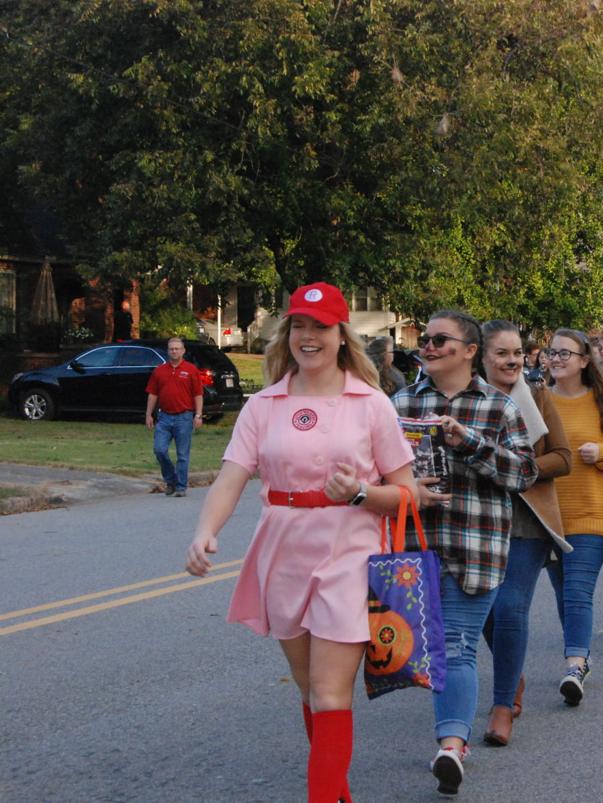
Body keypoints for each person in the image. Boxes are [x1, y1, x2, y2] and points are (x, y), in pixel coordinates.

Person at [184, 282, 417, 803]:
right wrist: (205, 531)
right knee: (310, 689)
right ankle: (334, 789)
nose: (308, 336)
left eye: (320, 327)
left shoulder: (370, 403)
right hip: (283, 550)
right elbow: (231, 477)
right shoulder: (263, 405)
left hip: (350, 551)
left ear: (341, 336)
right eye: (299, 326)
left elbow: (408, 493)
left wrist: (360, 491)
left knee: (332, 692)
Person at [392, 310, 538, 795]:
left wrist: (468, 441)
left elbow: (524, 474)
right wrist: (407, 487)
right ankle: (450, 735)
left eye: (440, 340)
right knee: (428, 651)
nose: (428, 346)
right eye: (425, 340)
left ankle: (451, 746)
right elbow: (371, 467)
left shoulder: (499, 408)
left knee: (458, 645)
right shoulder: (400, 403)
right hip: (413, 545)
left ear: (470, 350)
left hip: (476, 546)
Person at [478, 320, 572, 748]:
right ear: (480, 356)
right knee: (485, 612)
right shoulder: (463, 401)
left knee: (511, 606)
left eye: (517, 352)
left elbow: (563, 458)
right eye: (502, 353)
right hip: (474, 521)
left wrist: (516, 470)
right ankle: (512, 673)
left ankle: (502, 704)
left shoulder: (537, 397)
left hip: (526, 520)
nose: (513, 360)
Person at [544, 328, 603, 706]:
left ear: (584, 361)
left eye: (566, 353)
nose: (558, 359)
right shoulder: (537, 401)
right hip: (547, 517)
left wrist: (601, 452)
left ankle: (575, 663)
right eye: (553, 353)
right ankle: (579, 651)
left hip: (592, 514)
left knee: (578, 589)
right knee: (564, 593)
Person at [146, 336, 204, 497]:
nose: (174, 351)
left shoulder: (191, 370)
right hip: (164, 417)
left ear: (183, 351)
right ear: (168, 351)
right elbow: (152, 394)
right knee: (159, 450)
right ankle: (170, 479)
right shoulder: (159, 371)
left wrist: (198, 415)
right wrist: (148, 414)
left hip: (184, 417)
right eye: (171, 348)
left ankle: (180, 486)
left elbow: (198, 395)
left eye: (177, 348)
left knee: (182, 455)